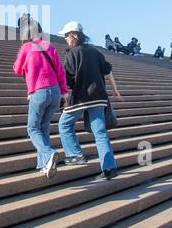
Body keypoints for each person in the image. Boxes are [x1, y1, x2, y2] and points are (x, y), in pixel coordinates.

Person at [57, 21, 122, 180]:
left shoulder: (72, 53)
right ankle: (109, 168)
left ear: (74, 35)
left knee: (64, 125)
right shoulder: (95, 52)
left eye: (66, 36)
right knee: (100, 133)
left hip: (81, 96)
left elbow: (68, 80)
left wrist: (63, 97)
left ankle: (75, 154)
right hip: (99, 97)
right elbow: (108, 71)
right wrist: (115, 90)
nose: (65, 39)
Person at [13, 19, 70, 179]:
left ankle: (48, 154)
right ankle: (44, 164)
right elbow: (60, 71)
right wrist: (64, 92)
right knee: (43, 127)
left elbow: (17, 69)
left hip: (39, 92)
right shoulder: (49, 46)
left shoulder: (26, 47)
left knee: (32, 128)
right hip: (55, 91)